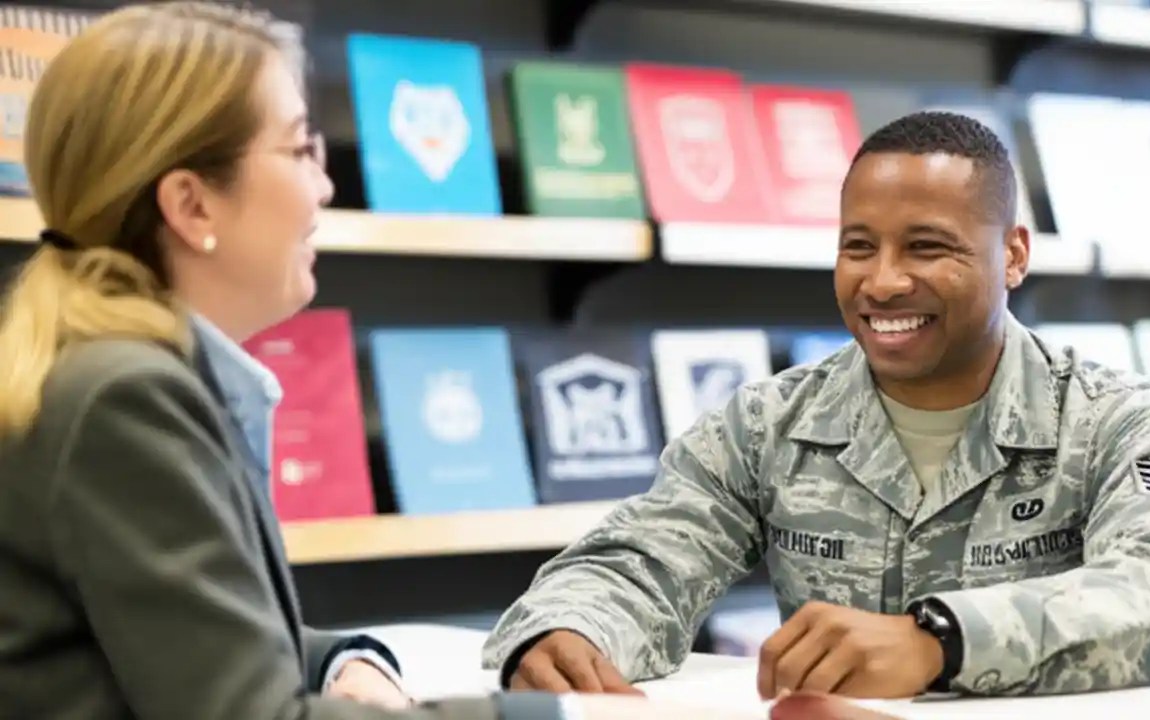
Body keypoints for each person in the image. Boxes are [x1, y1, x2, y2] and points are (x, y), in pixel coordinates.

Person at [0, 4, 839, 720]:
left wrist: (341, 660)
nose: (324, 186)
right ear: (190, 203)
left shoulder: (104, 367)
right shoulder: (128, 396)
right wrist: (559, 715)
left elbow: (186, 633)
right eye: (300, 151)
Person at [482, 111, 1150, 699]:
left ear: (1012, 253)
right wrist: (568, 627)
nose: (881, 283)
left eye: (926, 247)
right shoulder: (764, 426)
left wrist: (941, 642)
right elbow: (645, 558)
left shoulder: (1124, 421)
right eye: (857, 246)